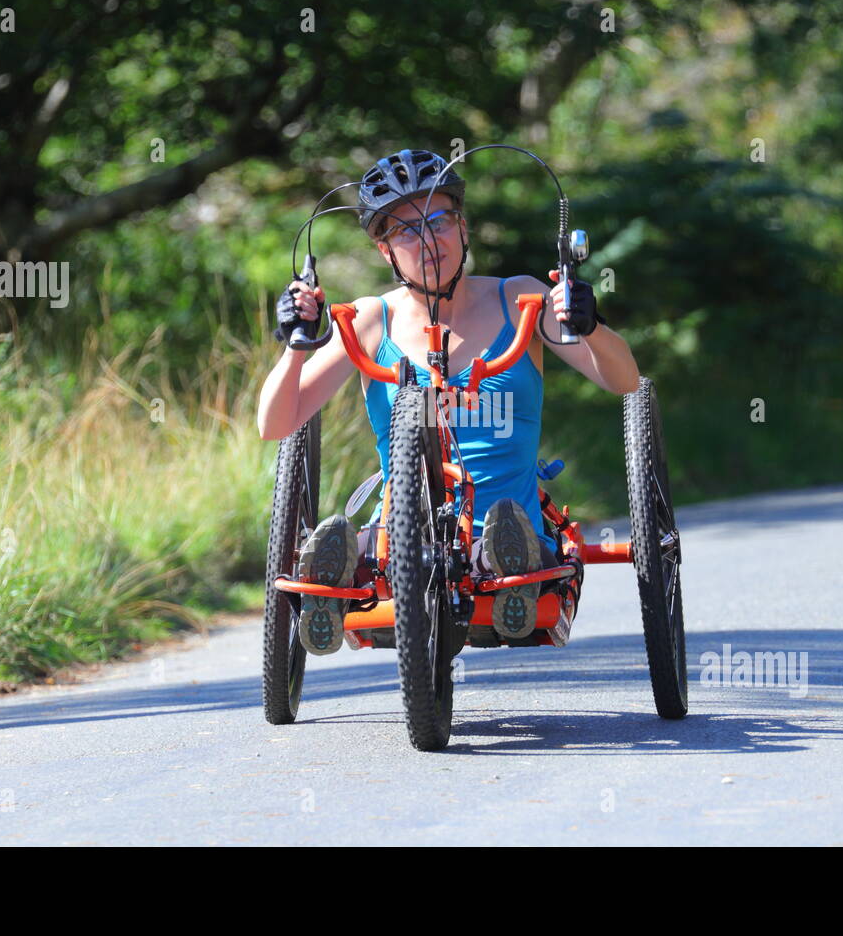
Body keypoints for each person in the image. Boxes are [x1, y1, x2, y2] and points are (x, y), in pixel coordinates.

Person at [257, 149, 639, 655]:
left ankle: (510, 572)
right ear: (384, 251)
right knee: (376, 544)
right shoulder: (370, 321)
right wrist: (295, 349)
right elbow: (275, 423)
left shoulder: (521, 299)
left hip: (509, 526)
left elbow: (624, 381)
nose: (428, 241)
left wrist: (591, 328)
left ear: (463, 227)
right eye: (405, 231)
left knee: (504, 539)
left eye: (439, 221)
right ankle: (335, 575)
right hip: (403, 538)